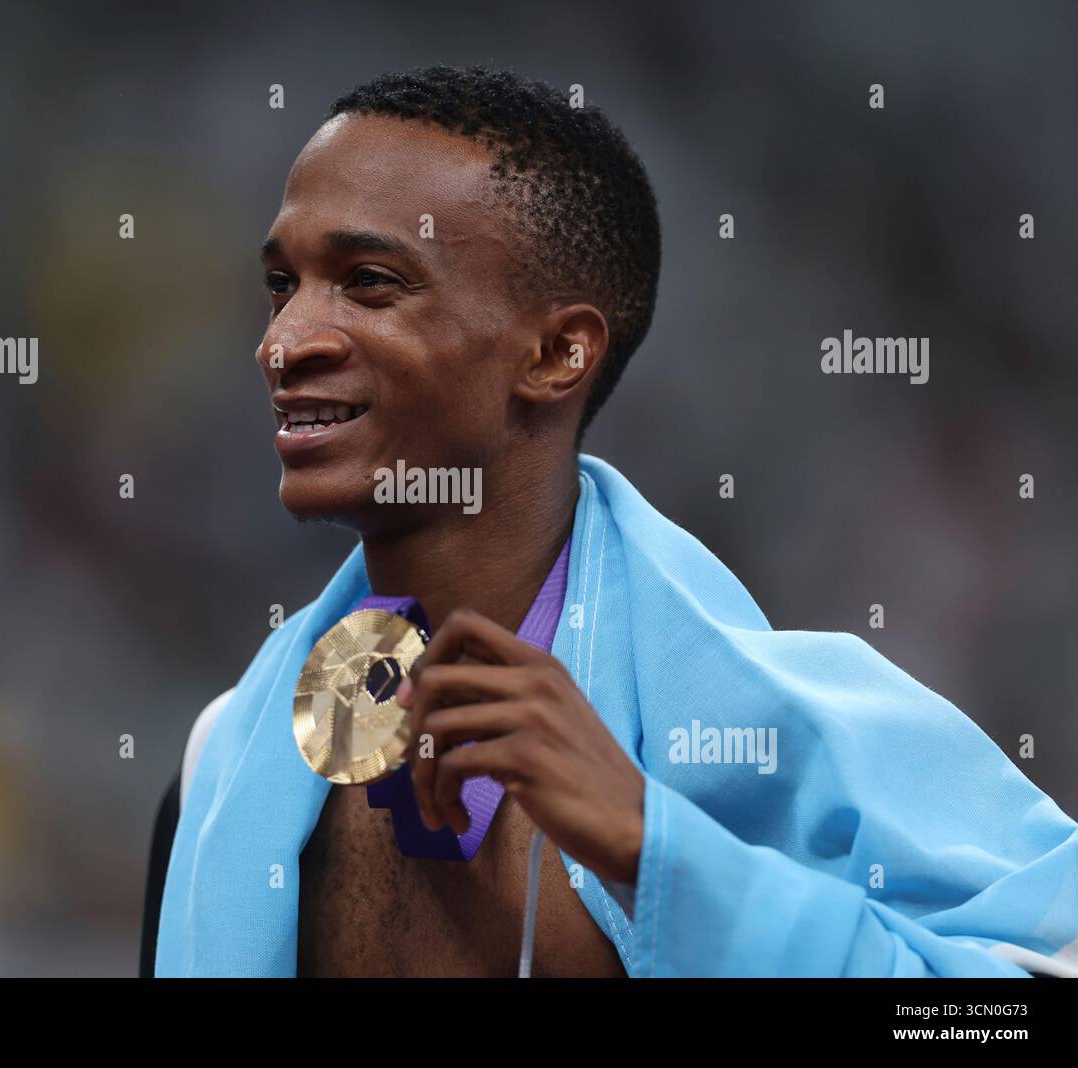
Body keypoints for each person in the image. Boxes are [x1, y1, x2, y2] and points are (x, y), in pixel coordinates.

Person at [144, 65, 1078, 978]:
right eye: (282, 284)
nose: (283, 342)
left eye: (370, 282)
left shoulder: (790, 744)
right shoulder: (222, 770)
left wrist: (658, 850)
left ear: (556, 354)